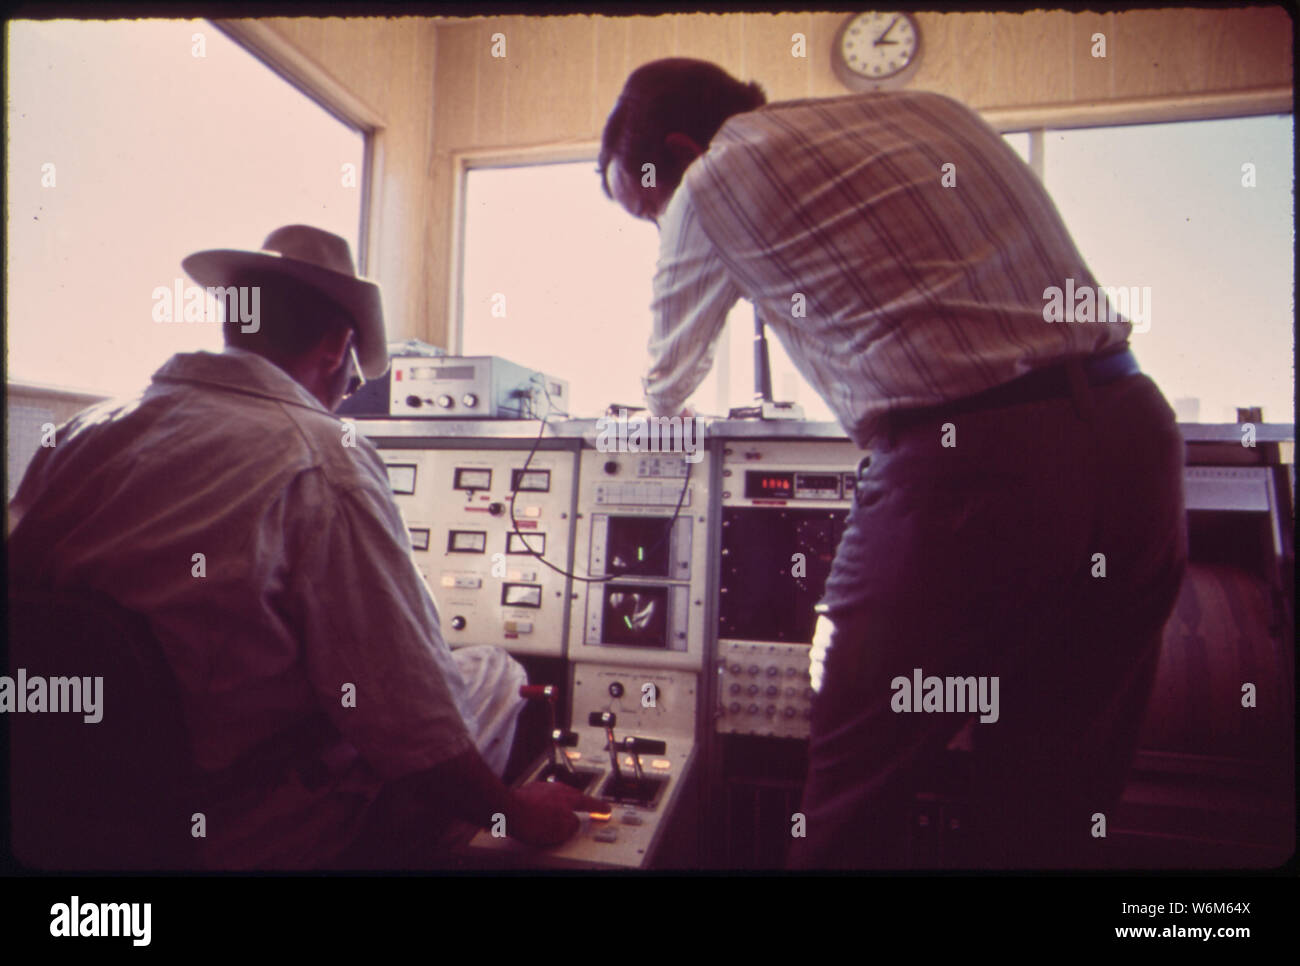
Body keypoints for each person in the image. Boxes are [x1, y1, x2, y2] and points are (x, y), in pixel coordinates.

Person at [600, 59, 1187, 868]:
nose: (664, 224)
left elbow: (668, 378)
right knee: (1047, 801)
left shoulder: (711, 177)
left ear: (676, 149)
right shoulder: (933, 110)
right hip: (1135, 442)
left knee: (851, 801)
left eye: (650, 206)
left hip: (968, 470)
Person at [7, 225, 602, 869]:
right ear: (338, 347)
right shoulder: (323, 458)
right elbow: (413, 725)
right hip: (240, 829)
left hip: (69, 808)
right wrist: (515, 812)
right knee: (496, 673)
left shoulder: (78, 436)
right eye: (350, 375)